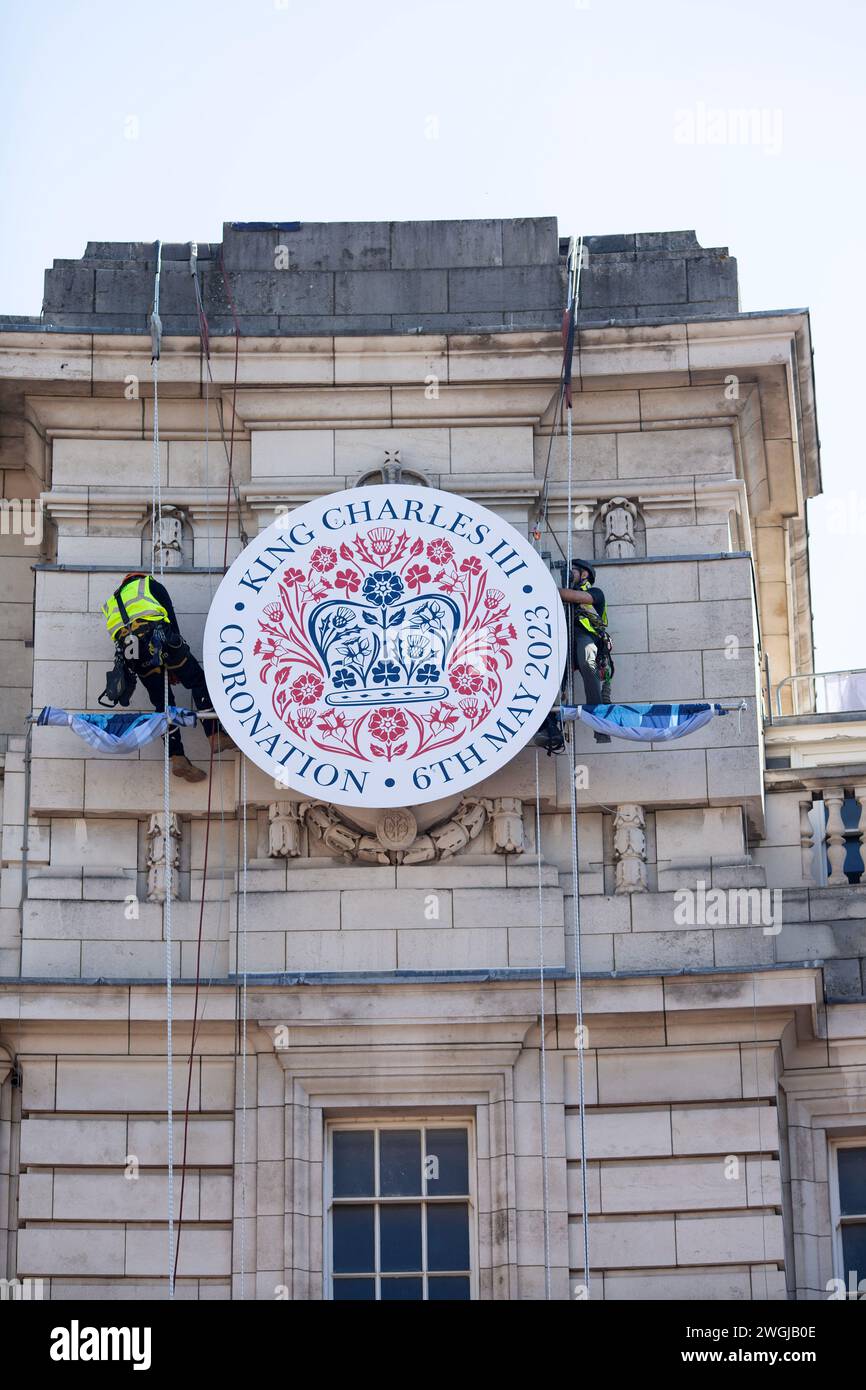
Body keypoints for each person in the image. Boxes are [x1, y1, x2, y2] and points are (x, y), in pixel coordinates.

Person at [101, 573, 231, 782]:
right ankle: (215, 736)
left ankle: (177, 757)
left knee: (162, 703)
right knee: (197, 680)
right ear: (139, 577)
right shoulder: (149, 584)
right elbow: (169, 617)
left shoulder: (112, 602)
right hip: (160, 641)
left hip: (134, 656)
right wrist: (176, 655)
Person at [534, 557, 613, 751]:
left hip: (585, 638)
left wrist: (545, 588)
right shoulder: (560, 601)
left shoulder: (595, 593)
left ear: (584, 574)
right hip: (564, 643)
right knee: (552, 679)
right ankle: (550, 726)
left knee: (588, 661)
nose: (569, 575)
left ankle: (598, 720)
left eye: (573, 572)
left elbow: (578, 597)